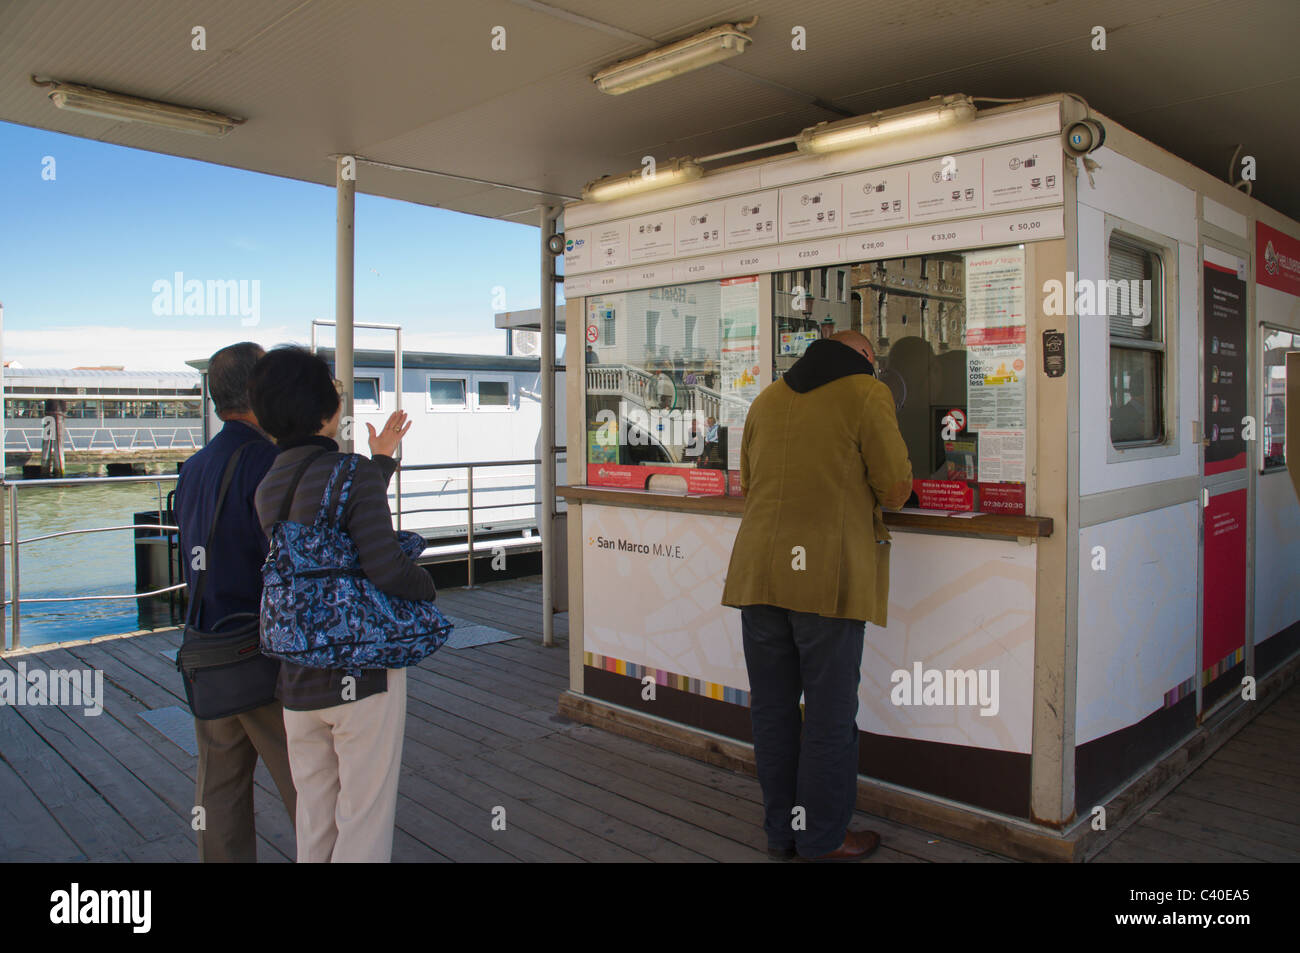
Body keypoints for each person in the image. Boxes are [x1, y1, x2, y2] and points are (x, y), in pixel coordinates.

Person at [721, 330, 912, 862]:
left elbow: (750, 480)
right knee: (828, 719)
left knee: (774, 713)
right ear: (867, 358)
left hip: (759, 575)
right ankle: (823, 840)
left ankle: (782, 834)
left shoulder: (767, 397)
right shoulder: (866, 393)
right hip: (826, 580)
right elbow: (896, 487)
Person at [250, 346, 434, 863]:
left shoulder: (270, 484)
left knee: (316, 815)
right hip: (361, 672)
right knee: (364, 818)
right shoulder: (347, 471)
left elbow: (327, 528)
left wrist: (381, 463)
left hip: (295, 676)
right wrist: (429, 586)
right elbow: (386, 568)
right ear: (327, 411)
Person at [174, 342, 297, 863]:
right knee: (310, 786)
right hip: (264, 656)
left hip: (209, 650)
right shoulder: (270, 462)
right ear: (257, 391)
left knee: (219, 794)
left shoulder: (195, 466)